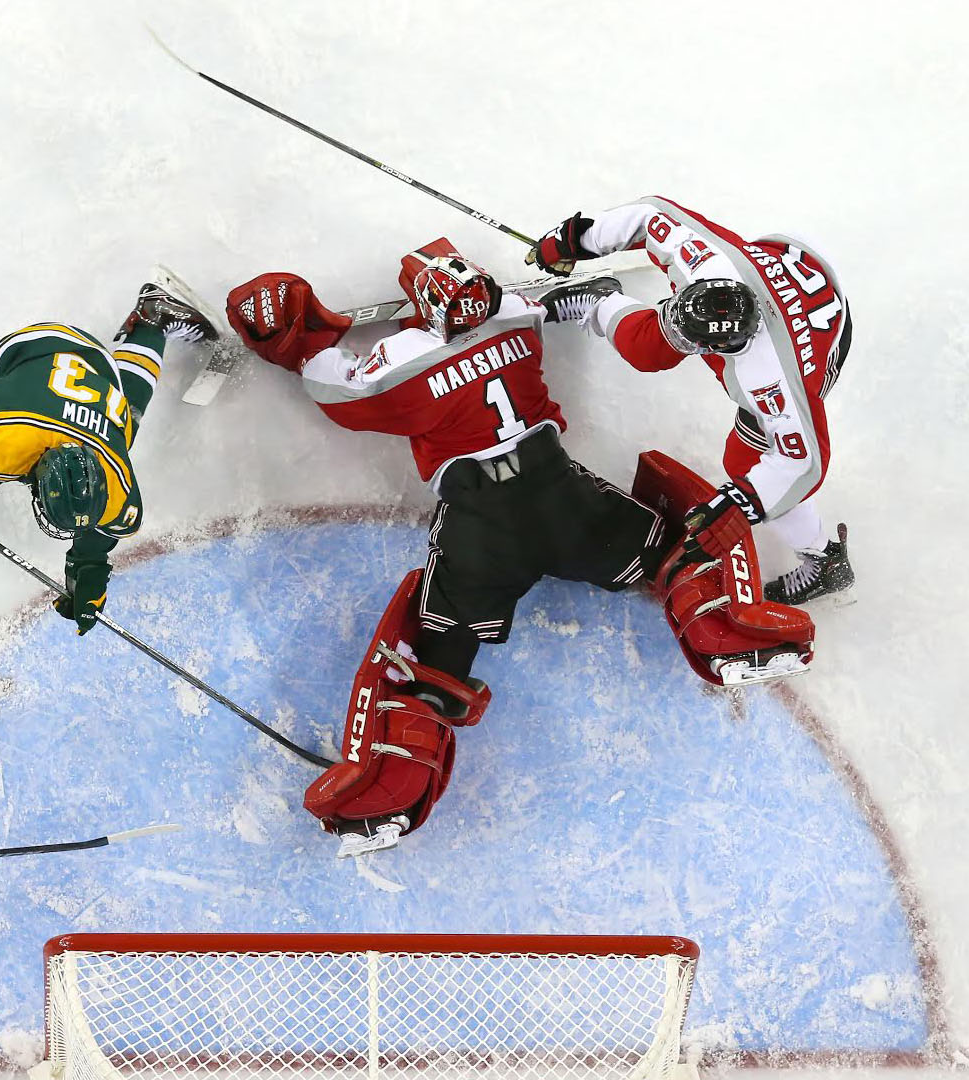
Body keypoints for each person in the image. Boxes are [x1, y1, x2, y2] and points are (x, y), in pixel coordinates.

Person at [224, 240, 814, 856]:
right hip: (563, 498)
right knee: (675, 552)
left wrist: (299, 339)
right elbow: (533, 304)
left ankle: (391, 793)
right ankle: (724, 634)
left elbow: (340, 391)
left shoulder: (405, 361)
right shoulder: (516, 319)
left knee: (437, 655)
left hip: (483, 522)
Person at [528, 196, 855, 606]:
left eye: (692, 342)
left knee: (746, 462)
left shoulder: (773, 380)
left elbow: (803, 461)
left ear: (728, 345)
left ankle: (826, 560)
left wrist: (740, 504)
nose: (679, 340)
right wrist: (580, 238)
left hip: (822, 328)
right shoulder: (704, 259)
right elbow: (649, 213)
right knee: (653, 347)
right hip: (783, 261)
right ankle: (598, 300)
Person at [0, 279, 217, 635]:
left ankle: (154, 317)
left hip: (96, 367)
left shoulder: (118, 490)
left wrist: (88, 571)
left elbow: (105, 528)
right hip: (25, 352)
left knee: (123, 426)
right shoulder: (1, 435)